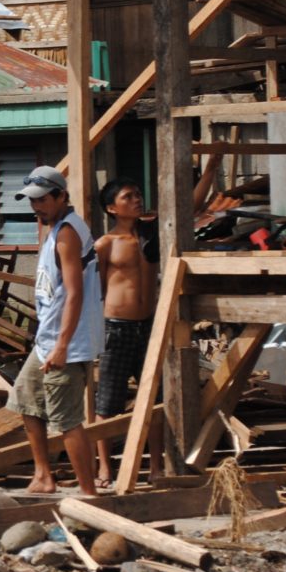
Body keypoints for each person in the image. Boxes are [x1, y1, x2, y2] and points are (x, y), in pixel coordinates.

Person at [6, 165, 102, 495]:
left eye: (43, 199)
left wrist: (62, 345)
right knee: (25, 398)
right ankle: (44, 475)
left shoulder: (67, 234)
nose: (36, 207)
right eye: (32, 201)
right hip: (48, 339)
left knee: (66, 419)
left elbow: (75, 293)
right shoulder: (55, 228)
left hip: (67, 342)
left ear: (62, 196)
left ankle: (90, 493)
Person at [92, 178, 165, 488]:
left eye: (138, 193)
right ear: (112, 208)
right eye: (128, 196)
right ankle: (106, 468)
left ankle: (157, 466)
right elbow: (93, 289)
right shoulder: (105, 244)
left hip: (149, 326)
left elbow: (193, 204)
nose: (137, 199)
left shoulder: (152, 234)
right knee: (108, 402)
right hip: (116, 328)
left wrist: (210, 169)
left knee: (156, 399)